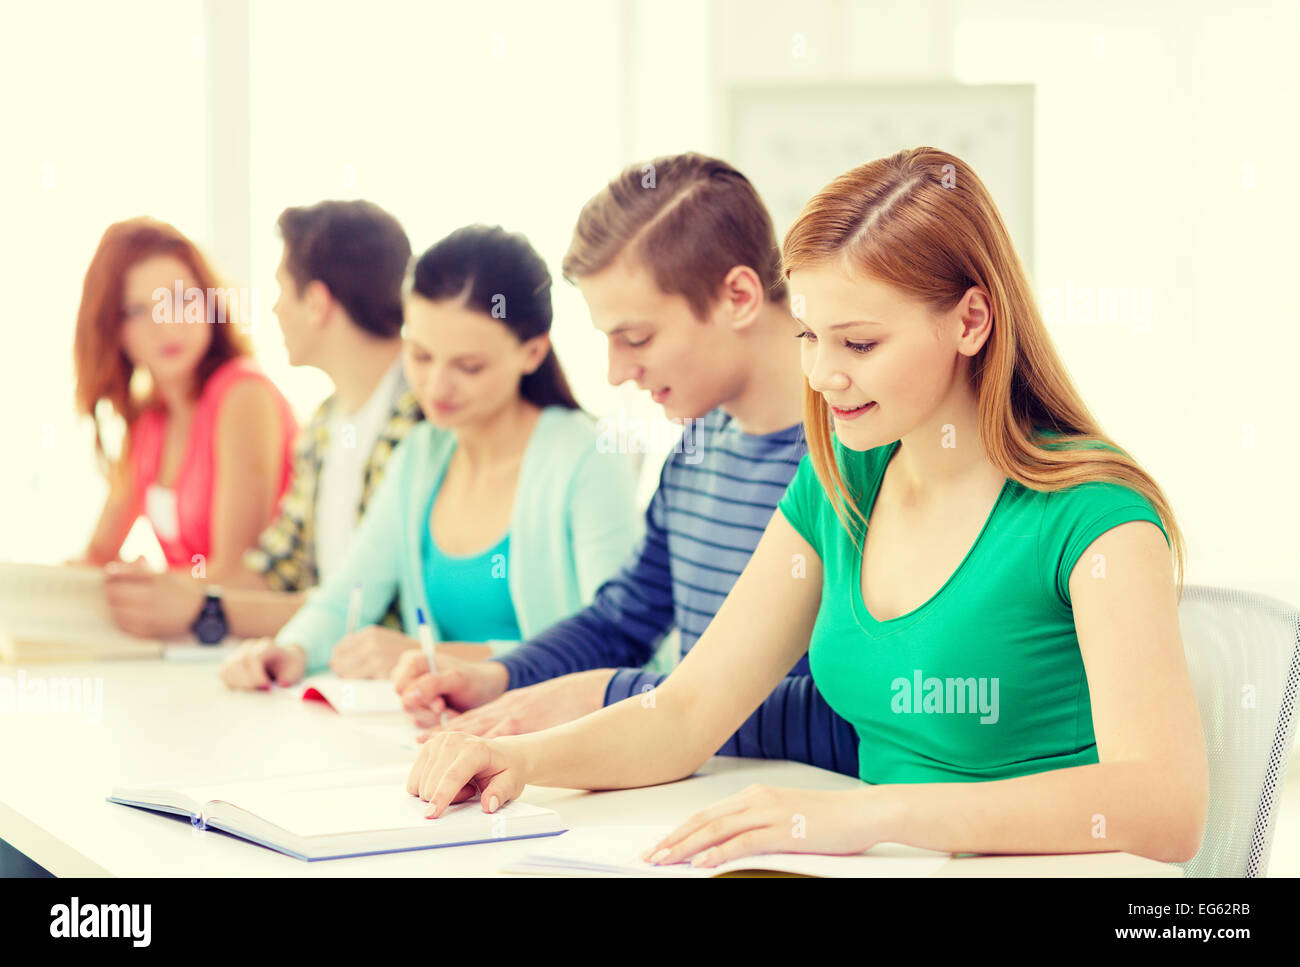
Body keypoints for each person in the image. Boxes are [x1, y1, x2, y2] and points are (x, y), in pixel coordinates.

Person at [406, 148, 1209, 867]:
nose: (823, 376)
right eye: (811, 339)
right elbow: (687, 710)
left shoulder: (1095, 514)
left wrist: (875, 812)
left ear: (971, 320)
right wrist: (523, 759)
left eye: (858, 344)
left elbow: (1168, 811)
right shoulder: (840, 482)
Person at [394, 152, 861, 776]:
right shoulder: (698, 447)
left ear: (739, 296)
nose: (617, 372)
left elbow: (858, 714)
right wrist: (501, 676)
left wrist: (606, 696)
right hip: (699, 800)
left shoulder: (858, 456)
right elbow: (625, 617)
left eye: (636, 339)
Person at [219, 224, 642, 688]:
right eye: (420, 356)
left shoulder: (588, 459)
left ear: (533, 352)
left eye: (468, 366)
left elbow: (613, 643)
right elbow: (346, 598)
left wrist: (434, 656)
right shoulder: (420, 456)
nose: (437, 387)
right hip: (455, 733)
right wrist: (290, 650)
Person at [103, 200, 423, 648]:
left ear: (316, 303)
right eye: (138, 311)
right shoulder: (325, 426)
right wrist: (167, 595)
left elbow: (377, 613)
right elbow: (277, 571)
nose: (273, 310)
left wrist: (203, 608)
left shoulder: (428, 418)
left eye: (281, 290)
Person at [72, 217, 296, 585]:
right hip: (194, 639)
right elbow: (96, 555)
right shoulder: (149, 422)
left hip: (258, 636)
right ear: (111, 328)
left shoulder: (243, 395)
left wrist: (152, 585)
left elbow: (237, 575)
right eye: (136, 310)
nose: (167, 325)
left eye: (180, 299)